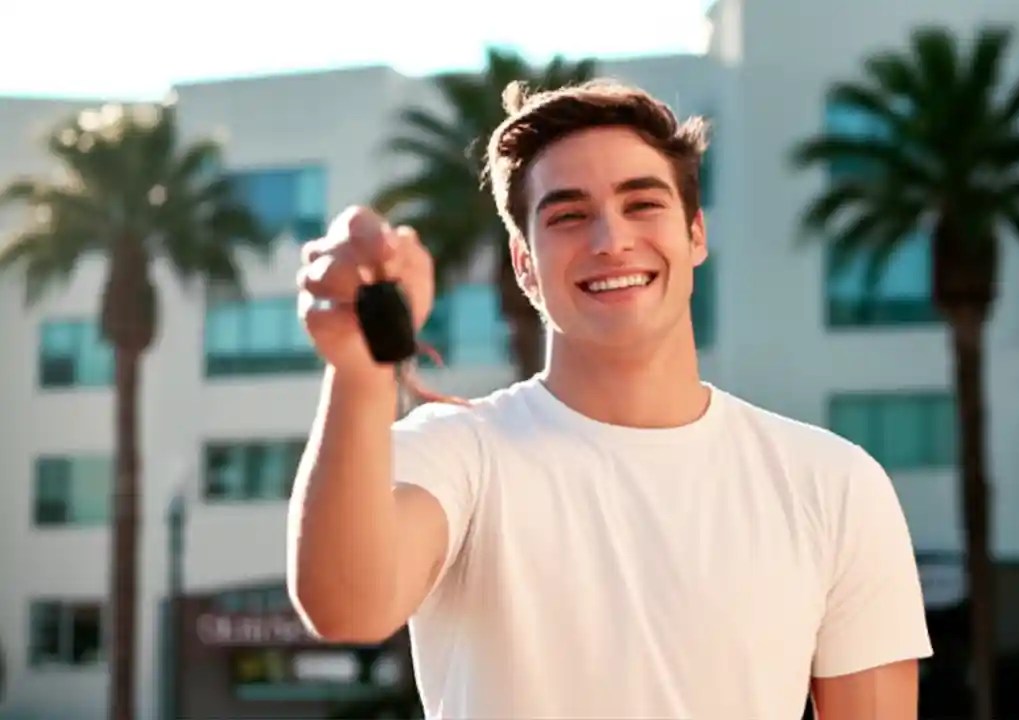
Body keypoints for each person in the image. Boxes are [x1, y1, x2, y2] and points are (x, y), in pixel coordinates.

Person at [286, 78, 933, 719]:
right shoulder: (457, 454)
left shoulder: (833, 483)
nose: (610, 239)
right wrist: (359, 371)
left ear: (696, 234)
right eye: (568, 215)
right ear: (524, 264)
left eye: (642, 204)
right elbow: (349, 604)